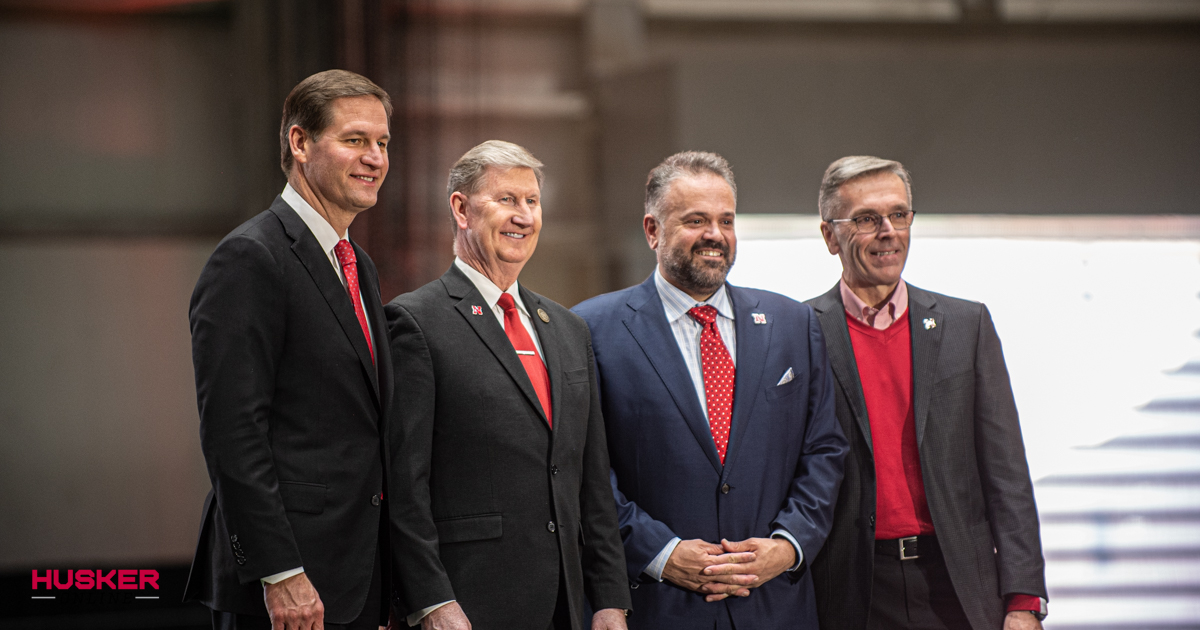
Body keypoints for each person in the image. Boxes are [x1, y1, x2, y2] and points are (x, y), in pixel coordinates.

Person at [572, 151, 848, 630]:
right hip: (657, 604)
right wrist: (661, 552)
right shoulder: (591, 329)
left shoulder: (793, 323)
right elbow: (585, 469)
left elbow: (824, 449)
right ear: (652, 230)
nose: (715, 235)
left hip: (774, 605)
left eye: (726, 220)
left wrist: (788, 545)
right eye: (695, 220)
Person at [385, 140, 630, 630]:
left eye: (532, 201)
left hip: (564, 606)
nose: (524, 216)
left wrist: (609, 600)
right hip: (468, 603)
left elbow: (591, 482)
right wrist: (430, 601)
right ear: (461, 209)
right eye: (507, 200)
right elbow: (403, 484)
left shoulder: (569, 329)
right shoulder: (415, 322)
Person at [184, 70, 395, 630]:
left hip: (352, 580)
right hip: (285, 589)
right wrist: (280, 572)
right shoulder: (250, 257)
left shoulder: (358, 265)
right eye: (355, 139)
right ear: (300, 143)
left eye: (382, 142)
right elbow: (232, 431)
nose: (375, 158)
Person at [806, 156, 1048, 630]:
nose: (888, 232)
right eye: (866, 219)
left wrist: (1022, 599)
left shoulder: (966, 325)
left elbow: (1007, 474)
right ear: (830, 236)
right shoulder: (800, 333)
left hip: (958, 585)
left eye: (899, 214)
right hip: (850, 591)